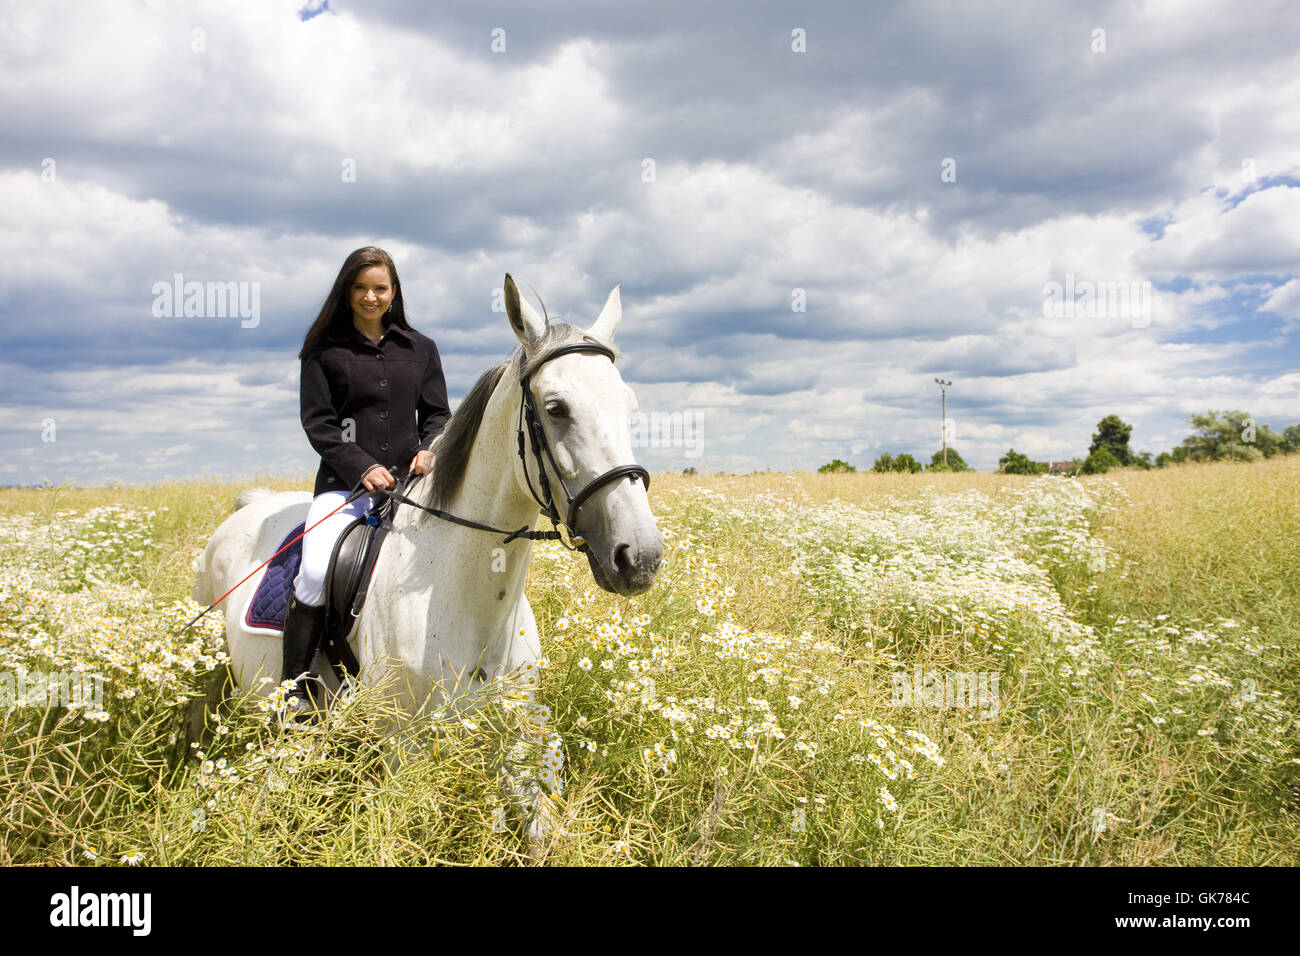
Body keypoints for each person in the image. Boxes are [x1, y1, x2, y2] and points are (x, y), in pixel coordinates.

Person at [281, 246, 451, 714]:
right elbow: (320, 424)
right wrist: (362, 467)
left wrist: (428, 449)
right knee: (314, 572)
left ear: (394, 292)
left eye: (380, 288)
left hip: (413, 491)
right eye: (360, 287)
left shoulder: (421, 350)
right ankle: (294, 689)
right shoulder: (322, 352)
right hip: (345, 487)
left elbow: (438, 415)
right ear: (347, 291)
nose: (370, 297)